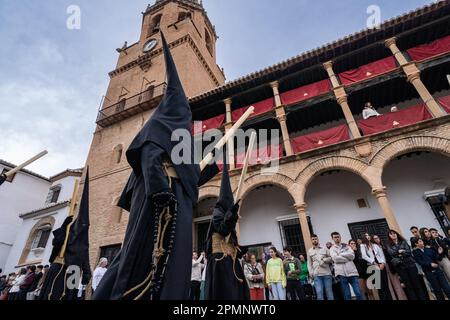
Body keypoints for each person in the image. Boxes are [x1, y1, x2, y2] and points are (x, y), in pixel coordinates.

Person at [386, 229, 427, 300]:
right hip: (400, 267)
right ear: (389, 236)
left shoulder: (403, 241)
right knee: (409, 286)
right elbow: (391, 253)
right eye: (391, 234)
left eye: (394, 233)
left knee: (417, 285)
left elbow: (408, 252)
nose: (393, 234)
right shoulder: (388, 245)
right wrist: (400, 251)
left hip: (410, 264)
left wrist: (399, 253)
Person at [329, 232, 363, 300]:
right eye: (335, 237)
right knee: (347, 295)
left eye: (338, 236)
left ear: (340, 237)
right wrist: (347, 257)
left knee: (358, 293)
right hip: (341, 274)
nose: (337, 238)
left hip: (352, 272)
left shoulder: (347, 246)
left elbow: (352, 256)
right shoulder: (332, 248)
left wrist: (340, 254)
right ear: (332, 238)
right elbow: (335, 259)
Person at [372, 235, 407, 300]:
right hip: (382, 267)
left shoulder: (385, 246)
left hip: (389, 266)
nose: (377, 239)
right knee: (388, 285)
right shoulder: (373, 248)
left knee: (396, 283)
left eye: (377, 238)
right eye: (374, 239)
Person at [360, 233, 392, 300]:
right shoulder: (363, 246)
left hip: (381, 265)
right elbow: (364, 256)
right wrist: (374, 262)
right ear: (363, 237)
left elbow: (382, 255)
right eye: (366, 235)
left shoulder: (375, 245)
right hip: (373, 266)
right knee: (380, 286)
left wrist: (383, 263)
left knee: (386, 285)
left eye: (368, 235)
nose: (368, 236)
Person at [307, 234, 334, 300]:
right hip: (316, 275)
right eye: (313, 239)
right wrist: (311, 273)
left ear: (318, 239)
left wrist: (324, 260)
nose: (315, 240)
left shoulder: (324, 248)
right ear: (311, 241)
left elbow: (331, 258)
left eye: (316, 239)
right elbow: (309, 263)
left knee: (329, 294)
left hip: (327, 274)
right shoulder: (309, 251)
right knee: (319, 294)